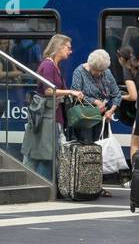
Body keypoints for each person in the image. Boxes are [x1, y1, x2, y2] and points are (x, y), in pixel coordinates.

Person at [27, 34, 84, 179]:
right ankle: (43, 186)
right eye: (68, 48)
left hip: (55, 117)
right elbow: (48, 90)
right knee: (48, 155)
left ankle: (42, 185)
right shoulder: (48, 65)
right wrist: (70, 91)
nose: (70, 51)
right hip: (48, 118)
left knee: (49, 154)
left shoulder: (55, 66)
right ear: (58, 47)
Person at [70, 49, 122, 143]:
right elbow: (75, 95)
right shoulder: (79, 72)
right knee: (86, 148)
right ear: (90, 64)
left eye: (101, 71)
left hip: (102, 119)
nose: (99, 73)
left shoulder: (107, 72)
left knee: (102, 147)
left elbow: (117, 95)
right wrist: (95, 101)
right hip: (85, 119)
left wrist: (111, 111)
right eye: (96, 70)